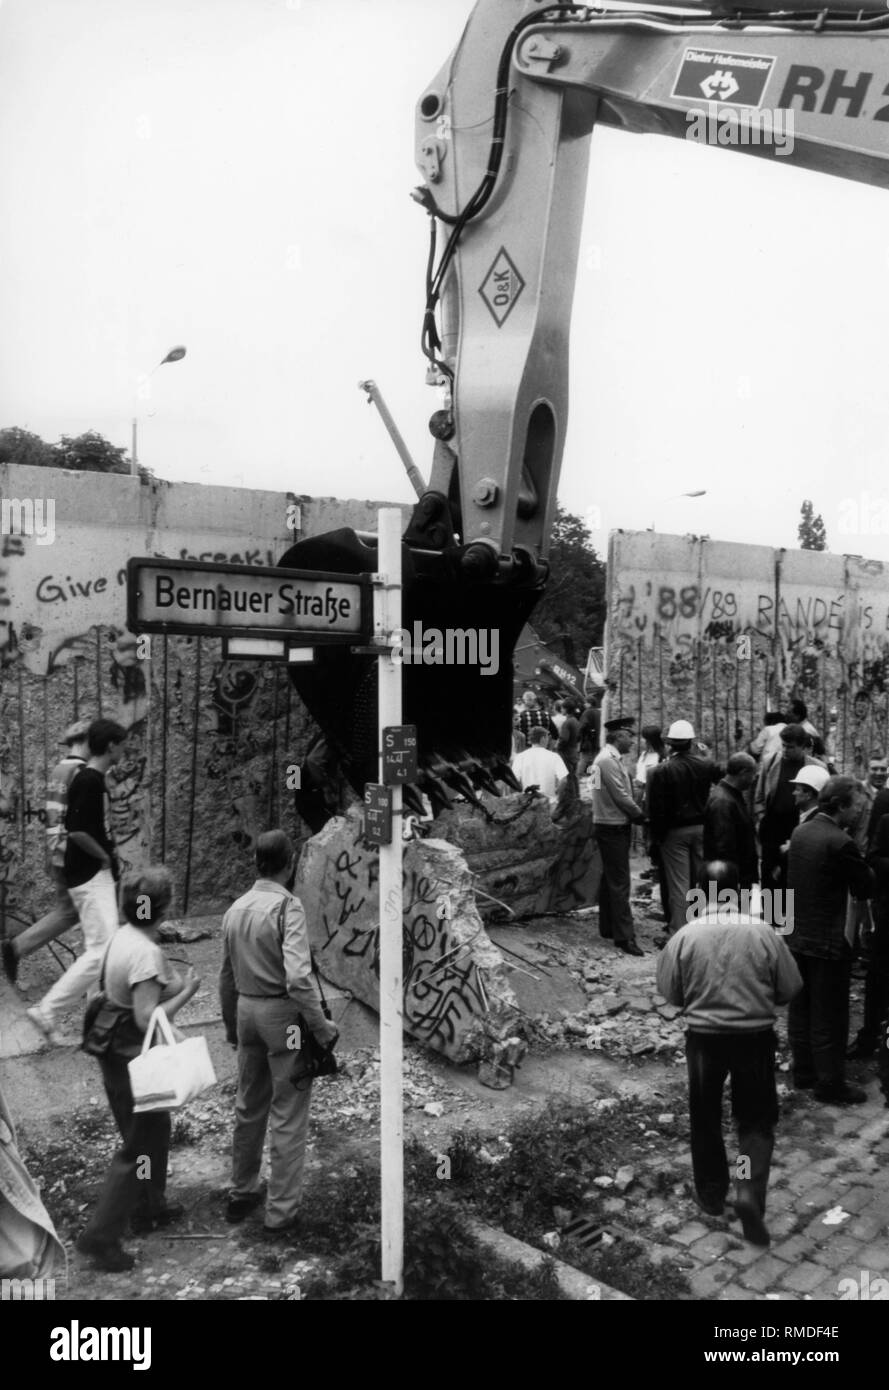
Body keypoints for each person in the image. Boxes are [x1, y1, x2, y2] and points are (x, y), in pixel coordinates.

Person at [656, 860, 801, 1247]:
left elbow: (671, 992)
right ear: (738, 891)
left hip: (704, 1039)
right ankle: (748, 1190)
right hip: (754, 1037)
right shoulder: (764, 932)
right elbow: (790, 987)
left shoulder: (685, 936)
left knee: (705, 1116)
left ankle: (711, 1193)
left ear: (700, 892)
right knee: (754, 1121)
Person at [75, 867, 200, 1272]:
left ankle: (150, 1205)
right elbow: (148, 1019)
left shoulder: (121, 938)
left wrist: (171, 981)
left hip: (112, 1050)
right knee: (137, 1145)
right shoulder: (146, 953)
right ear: (162, 909)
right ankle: (102, 1236)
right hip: (133, 1056)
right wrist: (187, 992)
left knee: (153, 1130)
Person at [220, 829, 338, 1235]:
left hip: (245, 1009)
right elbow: (299, 980)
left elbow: (224, 975)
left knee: (248, 1104)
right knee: (288, 1111)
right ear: (291, 864)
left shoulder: (235, 908)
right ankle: (281, 1212)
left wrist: (230, 1025)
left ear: (257, 863)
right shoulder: (289, 908)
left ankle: (242, 1191)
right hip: (281, 1016)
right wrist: (322, 1030)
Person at [26, 718, 127, 1045]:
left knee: (100, 947)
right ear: (111, 746)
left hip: (89, 873)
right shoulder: (89, 780)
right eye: (122, 745)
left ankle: (96, 1020)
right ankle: (48, 1010)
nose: (124, 750)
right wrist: (103, 857)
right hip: (88, 874)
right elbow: (79, 830)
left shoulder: (93, 778)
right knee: (101, 950)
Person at [785, 776, 875, 1105]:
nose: (858, 814)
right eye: (856, 807)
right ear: (840, 805)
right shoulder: (840, 842)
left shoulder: (801, 831)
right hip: (829, 939)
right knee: (831, 1014)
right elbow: (865, 884)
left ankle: (804, 1072)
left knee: (802, 1006)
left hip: (799, 935)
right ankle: (830, 1083)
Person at [2, 719, 90, 985]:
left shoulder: (60, 770)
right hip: (79, 855)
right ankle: (140, 934)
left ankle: (15, 948)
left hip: (58, 851)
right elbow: (86, 823)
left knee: (69, 911)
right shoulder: (83, 773)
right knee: (118, 904)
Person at [648, 719, 721, 937]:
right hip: (700, 828)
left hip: (674, 833)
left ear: (670, 744)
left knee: (679, 886)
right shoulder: (705, 765)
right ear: (691, 742)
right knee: (701, 880)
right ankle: (702, 928)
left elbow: (657, 810)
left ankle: (679, 933)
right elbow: (719, 776)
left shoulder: (662, 770)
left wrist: (656, 838)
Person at [591, 716, 645, 956]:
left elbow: (594, 790)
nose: (633, 741)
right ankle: (625, 937)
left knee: (610, 879)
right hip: (613, 825)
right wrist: (640, 815)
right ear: (619, 736)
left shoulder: (603, 759)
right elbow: (621, 796)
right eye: (630, 736)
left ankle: (608, 927)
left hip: (606, 823)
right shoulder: (608, 762)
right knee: (620, 882)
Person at [754, 724, 823, 892]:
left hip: (799, 827)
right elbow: (759, 796)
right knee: (770, 876)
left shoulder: (816, 767)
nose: (785, 750)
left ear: (803, 747)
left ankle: (789, 915)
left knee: (793, 876)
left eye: (790, 747)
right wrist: (761, 818)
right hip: (772, 827)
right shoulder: (770, 761)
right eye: (783, 745)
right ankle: (771, 916)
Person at [849, 811, 889, 1062]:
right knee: (878, 978)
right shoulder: (887, 821)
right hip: (888, 917)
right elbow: (873, 859)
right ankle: (869, 1038)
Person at [703, 753, 758, 891]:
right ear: (743, 773)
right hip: (730, 881)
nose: (753, 780)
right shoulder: (723, 802)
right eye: (753, 775)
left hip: (736, 877)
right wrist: (732, 881)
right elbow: (723, 847)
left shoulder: (731, 796)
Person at [511, 726, 569, 799]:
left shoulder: (520, 757)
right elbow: (564, 780)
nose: (548, 741)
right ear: (543, 738)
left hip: (528, 801)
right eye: (548, 738)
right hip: (548, 800)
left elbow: (513, 781)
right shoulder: (554, 756)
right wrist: (557, 795)